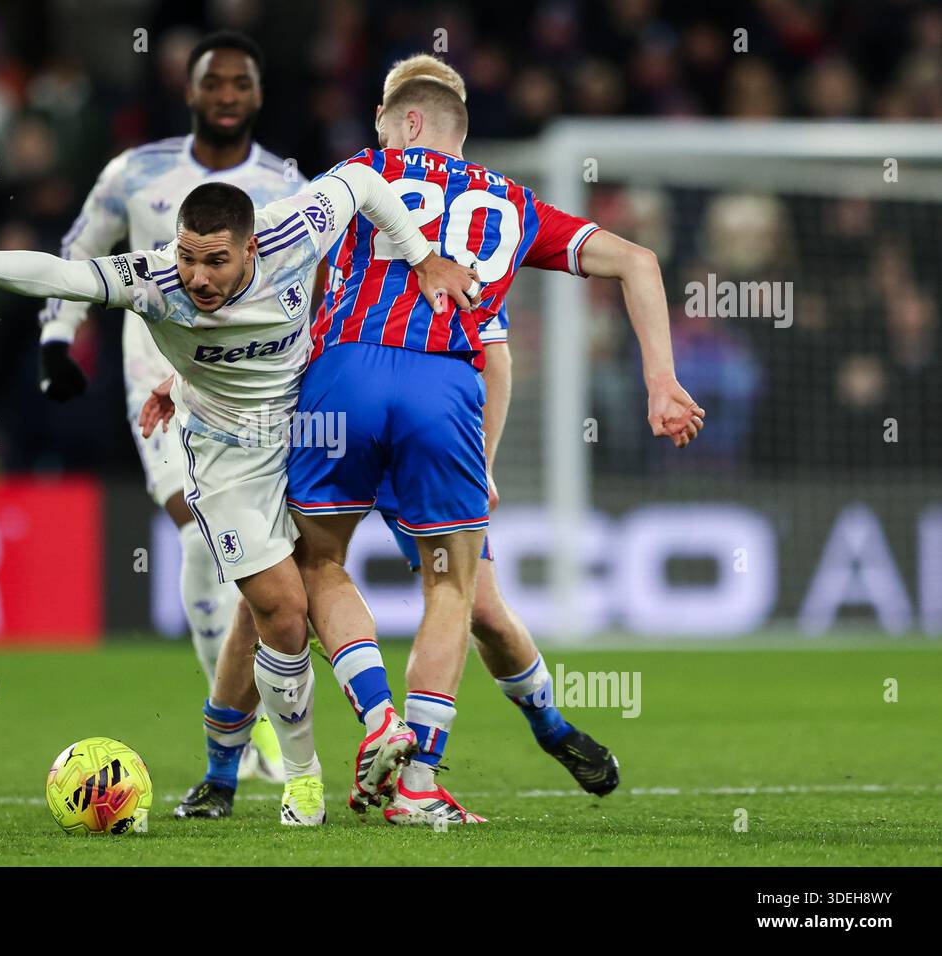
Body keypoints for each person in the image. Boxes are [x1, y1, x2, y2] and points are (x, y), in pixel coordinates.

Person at [0, 157, 477, 827]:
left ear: (251, 248)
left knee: (290, 594)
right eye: (189, 257)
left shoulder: (293, 231)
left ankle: (310, 745)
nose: (198, 277)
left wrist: (424, 257)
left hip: (308, 431)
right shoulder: (156, 279)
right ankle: (304, 778)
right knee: (283, 611)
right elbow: (62, 274)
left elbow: (364, 183)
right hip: (226, 462)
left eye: (215, 261)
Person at [283, 74, 704, 825]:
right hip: (443, 392)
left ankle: (391, 718)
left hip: (342, 379)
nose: (378, 132)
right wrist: (662, 383)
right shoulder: (512, 204)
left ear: (409, 121)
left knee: (321, 564)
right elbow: (638, 260)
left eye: (383, 120)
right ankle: (418, 782)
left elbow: (270, 254)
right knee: (453, 588)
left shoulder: (358, 173)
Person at [36, 31, 307, 784]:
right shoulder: (137, 171)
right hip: (157, 376)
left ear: (258, 94)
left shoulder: (285, 183)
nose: (226, 96)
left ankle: (250, 716)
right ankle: (243, 734)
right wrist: (58, 338)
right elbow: (80, 251)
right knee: (197, 533)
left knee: (261, 554)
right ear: (189, 91)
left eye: (240, 83)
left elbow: (317, 279)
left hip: (257, 387)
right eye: (213, 82)